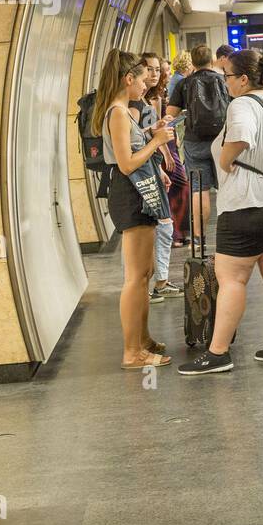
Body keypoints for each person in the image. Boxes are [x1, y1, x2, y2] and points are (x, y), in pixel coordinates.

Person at [178, 49, 263, 374]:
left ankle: (218, 352)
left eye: (228, 77)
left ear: (244, 79)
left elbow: (243, 138)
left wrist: (224, 158)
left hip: (249, 206)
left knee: (232, 278)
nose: (225, 82)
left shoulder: (243, 105)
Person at [93, 49, 174, 369]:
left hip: (139, 192)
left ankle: (142, 338)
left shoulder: (124, 112)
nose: (146, 86)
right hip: (130, 195)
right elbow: (126, 164)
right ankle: (132, 351)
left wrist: (151, 136)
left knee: (145, 273)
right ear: (128, 79)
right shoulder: (117, 112)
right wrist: (156, 143)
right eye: (141, 80)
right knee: (135, 277)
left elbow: (131, 149)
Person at [166, 44, 227, 243]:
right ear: (212, 61)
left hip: (194, 143)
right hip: (221, 141)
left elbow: (170, 115)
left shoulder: (185, 84)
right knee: (226, 187)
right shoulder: (223, 80)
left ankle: (199, 237)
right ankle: (228, 233)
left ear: (192, 62)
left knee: (199, 190)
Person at [137, 52, 181, 300]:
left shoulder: (146, 101)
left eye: (156, 70)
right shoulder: (131, 107)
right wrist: (162, 150)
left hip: (151, 167)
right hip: (143, 170)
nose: (153, 75)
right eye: (148, 71)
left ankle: (159, 280)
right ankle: (154, 283)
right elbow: (137, 142)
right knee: (160, 226)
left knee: (161, 226)